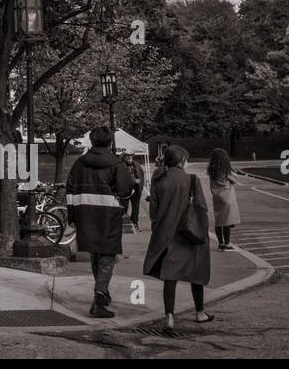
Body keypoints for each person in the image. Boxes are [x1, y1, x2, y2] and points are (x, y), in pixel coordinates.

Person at [66, 126, 134, 318]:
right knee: (107, 255)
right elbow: (125, 191)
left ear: (92, 141)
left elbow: (70, 190)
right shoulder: (116, 164)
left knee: (95, 254)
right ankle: (99, 298)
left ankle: (102, 292)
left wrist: (72, 216)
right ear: (110, 142)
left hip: (84, 213)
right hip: (108, 214)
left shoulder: (79, 163)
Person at [144, 146, 213, 334]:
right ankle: (200, 312)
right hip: (190, 233)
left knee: (170, 276)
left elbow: (154, 213)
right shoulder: (192, 180)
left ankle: (169, 316)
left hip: (166, 234)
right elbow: (201, 207)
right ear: (182, 161)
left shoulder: (158, 181)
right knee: (196, 272)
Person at [207, 147, 244, 251]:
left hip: (217, 197)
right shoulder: (225, 170)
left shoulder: (211, 171)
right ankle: (227, 244)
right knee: (227, 221)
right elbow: (235, 179)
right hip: (227, 197)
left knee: (219, 221)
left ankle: (220, 243)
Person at [121, 151, 145, 230]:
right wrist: (134, 181)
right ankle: (123, 224)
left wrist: (140, 188)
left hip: (136, 190)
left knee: (136, 208)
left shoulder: (137, 165)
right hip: (125, 190)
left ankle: (135, 222)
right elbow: (122, 176)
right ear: (124, 157)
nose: (129, 157)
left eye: (131, 155)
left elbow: (142, 176)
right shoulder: (121, 166)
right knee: (124, 208)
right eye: (127, 155)